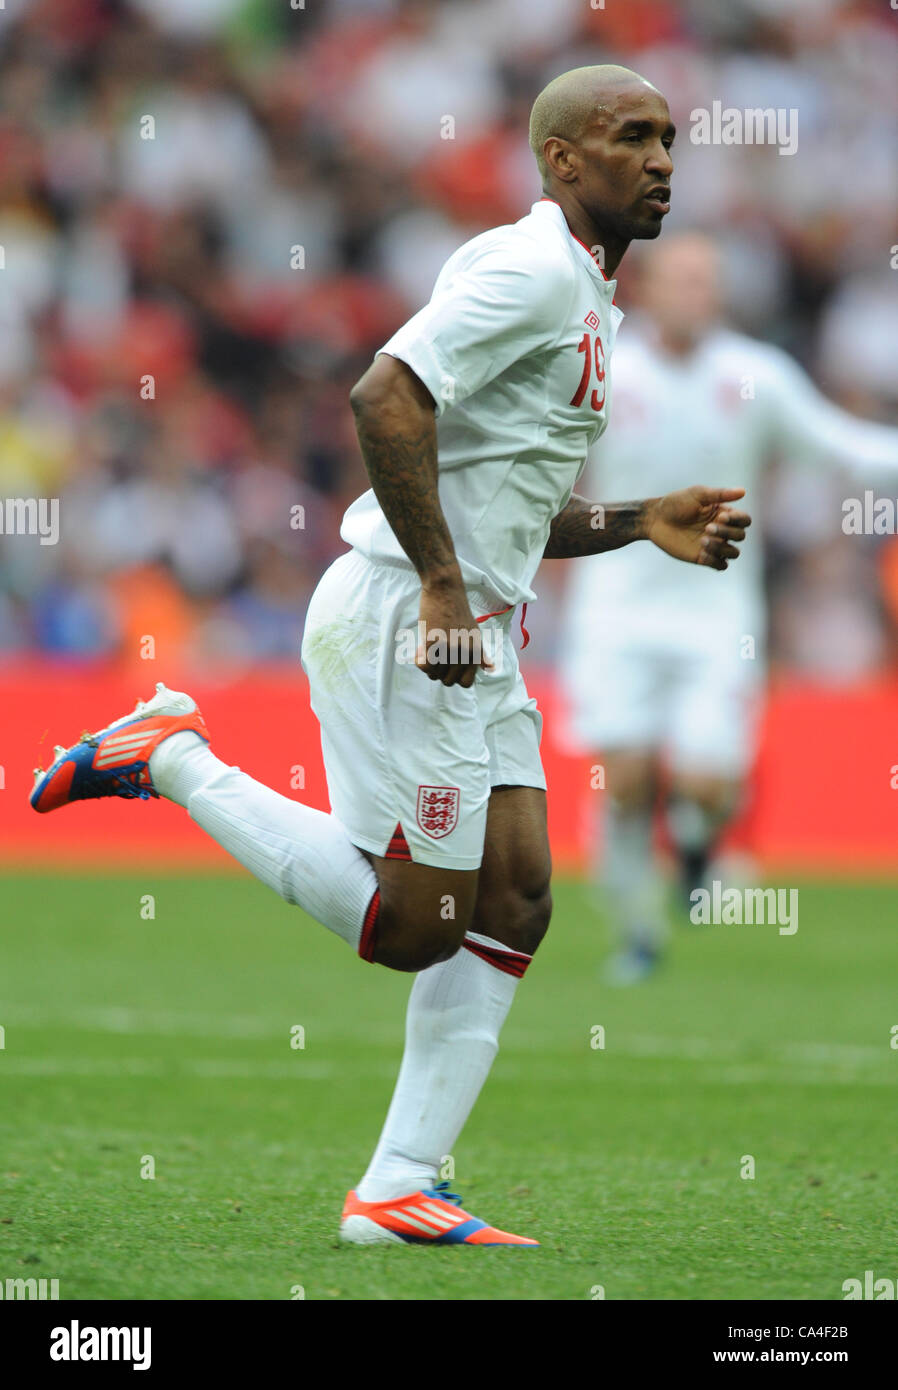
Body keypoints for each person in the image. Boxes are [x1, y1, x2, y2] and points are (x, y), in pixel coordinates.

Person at [30, 67, 750, 1246]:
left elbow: (498, 500)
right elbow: (385, 395)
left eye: (669, 137)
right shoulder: (527, 271)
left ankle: (399, 1186)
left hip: (480, 631)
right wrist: (441, 583)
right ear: (562, 161)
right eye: (631, 137)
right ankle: (173, 756)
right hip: (411, 623)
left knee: (514, 899)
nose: (663, 157)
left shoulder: (577, 289)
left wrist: (634, 521)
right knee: (416, 921)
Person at [560, 232, 898, 985]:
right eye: (681, 280)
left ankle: (696, 848)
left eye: (707, 282)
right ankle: (638, 934)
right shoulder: (605, 368)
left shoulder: (754, 376)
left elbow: (840, 447)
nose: (696, 295)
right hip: (616, 605)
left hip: (716, 612)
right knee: (627, 777)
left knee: (708, 785)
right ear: (646, 289)